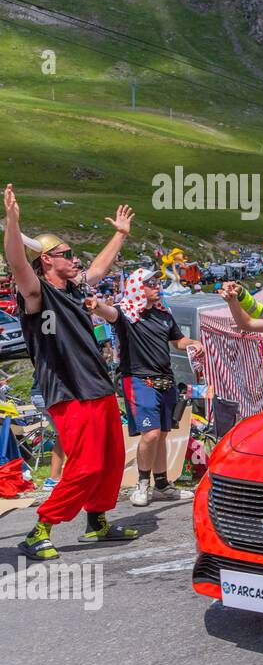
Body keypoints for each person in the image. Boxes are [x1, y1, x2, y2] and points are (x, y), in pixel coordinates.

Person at [3, 184, 138, 560]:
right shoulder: (36, 294)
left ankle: (97, 522)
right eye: (67, 255)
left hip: (97, 385)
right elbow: (16, 263)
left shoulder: (77, 290)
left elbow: (98, 268)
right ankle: (40, 529)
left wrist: (120, 235)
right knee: (87, 464)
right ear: (47, 260)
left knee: (110, 460)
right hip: (68, 390)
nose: (76, 260)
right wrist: (12, 223)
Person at [88, 268, 204, 506]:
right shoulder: (126, 313)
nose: (157, 286)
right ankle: (142, 484)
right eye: (150, 283)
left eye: (156, 282)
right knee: (150, 434)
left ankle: (162, 485)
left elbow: (177, 340)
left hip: (165, 379)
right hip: (139, 379)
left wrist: (193, 343)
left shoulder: (164, 314)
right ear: (138, 287)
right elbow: (108, 312)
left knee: (162, 434)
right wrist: (95, 304)